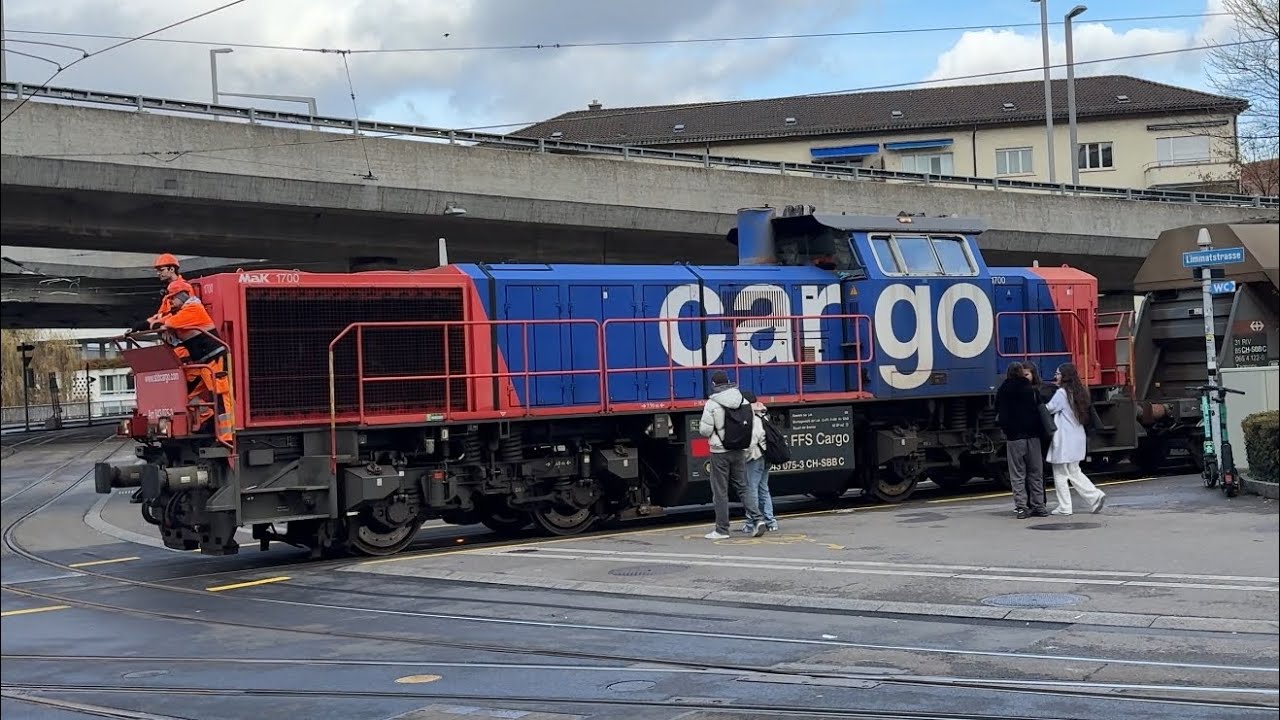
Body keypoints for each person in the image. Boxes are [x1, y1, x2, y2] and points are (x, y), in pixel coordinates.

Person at [698, 370, 764, 539]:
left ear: (714, 385)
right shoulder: (742, 399)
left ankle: (722, 529)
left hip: (719, 452)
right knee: (743, 487)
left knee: (720, 491)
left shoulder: (712, 403)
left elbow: (705, 430)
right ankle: (757, 520)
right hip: (739, 450)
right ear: (729, 382)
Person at [1046, 363, 1107, 515]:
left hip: (1064, 439)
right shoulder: (1080, 392)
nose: (1056, 376)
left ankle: (1065, 507)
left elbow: (1050, 408)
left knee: (1060, 472)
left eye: (1058, 374)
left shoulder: (1062, 393)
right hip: (1077, 436)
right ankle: (1095, 496)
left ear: (1065, 376)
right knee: (1074, 471)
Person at [995, 362, 1048, 519]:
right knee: (1035, 472)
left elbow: (998, 412)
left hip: (1014, 439)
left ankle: (1022, 507)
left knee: (1017, 474)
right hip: (1033, 437)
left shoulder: (1003, 391)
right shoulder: (1031, 391)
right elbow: (1040, 412)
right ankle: (1039, 506)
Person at [740, 390, 778, 534]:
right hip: (766, 456)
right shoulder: (763, 413)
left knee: (752, 490)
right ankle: (770, 521)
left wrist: (745, 456)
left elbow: (751, 441)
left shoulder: (752, 417)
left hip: (755, 457)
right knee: (763, 488)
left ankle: (752, 522)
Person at [133, 253, 184, 332]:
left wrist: (157, 323)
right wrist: (143, 325)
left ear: (172, 269)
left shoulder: (181, 287)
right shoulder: (171, 289)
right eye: (157, 271)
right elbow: (161, 315)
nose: (158, 273)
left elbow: (179, 313)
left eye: (161, 270)